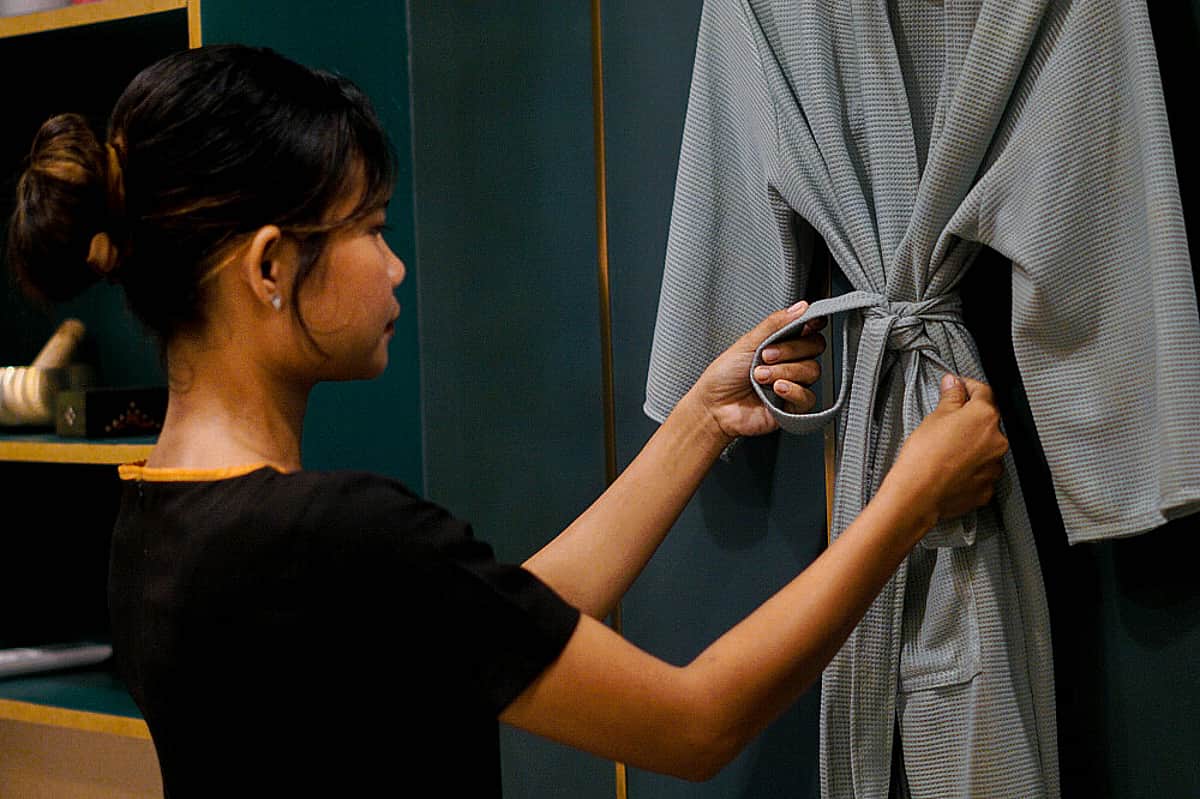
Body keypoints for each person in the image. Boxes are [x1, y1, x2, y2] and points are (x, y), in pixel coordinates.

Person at [7, 44, 1008, 797]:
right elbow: (695, 722)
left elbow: (488, 621)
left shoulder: (156, 525)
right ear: (270, 265)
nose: (394, 265)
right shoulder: (333, 531)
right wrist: (908, 502)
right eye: (369, 228)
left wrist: (699, 420)